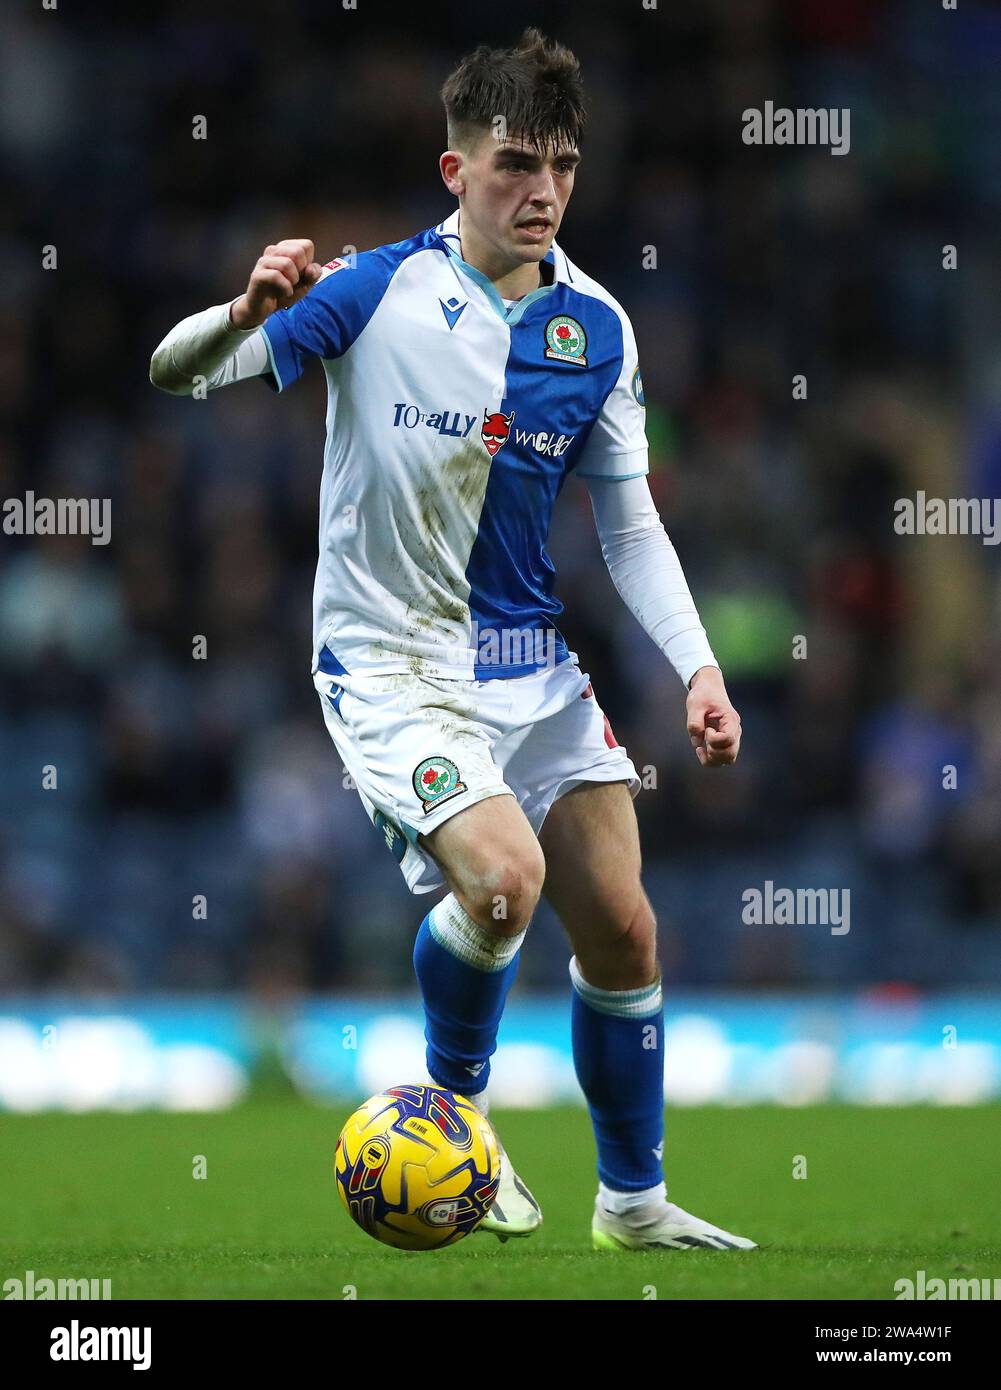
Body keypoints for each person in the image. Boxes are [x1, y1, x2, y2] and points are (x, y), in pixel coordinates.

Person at [150, 28, 754, 1252]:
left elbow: (630, 529)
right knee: (502, 883)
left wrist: (696, 667)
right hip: (389, 664)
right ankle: (457, 1125)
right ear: (453, 170)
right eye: (515, 163)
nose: (541, 192)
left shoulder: (596, 329)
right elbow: (174, 375)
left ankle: (631, 1202)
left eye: (564, 168)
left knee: (626, 928)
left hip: (530, 668)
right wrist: (243, 307)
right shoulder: (371, 290)